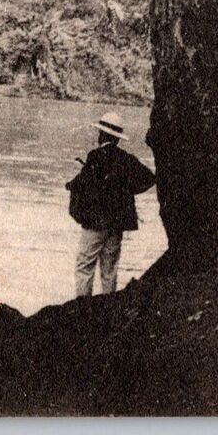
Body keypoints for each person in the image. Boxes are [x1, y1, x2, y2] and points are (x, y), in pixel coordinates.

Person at [67, 111, 156, 297]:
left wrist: (70, 185)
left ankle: (84, 309)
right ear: (117, 139)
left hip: (94, 224)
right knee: (109, 269)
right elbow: (149, 178)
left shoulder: (95, 156)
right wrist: (128, 190)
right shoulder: (126, 159)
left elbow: (81, 183)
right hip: (117, 224)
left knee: (85, 266)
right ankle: (108, 308)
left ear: (103, 135)